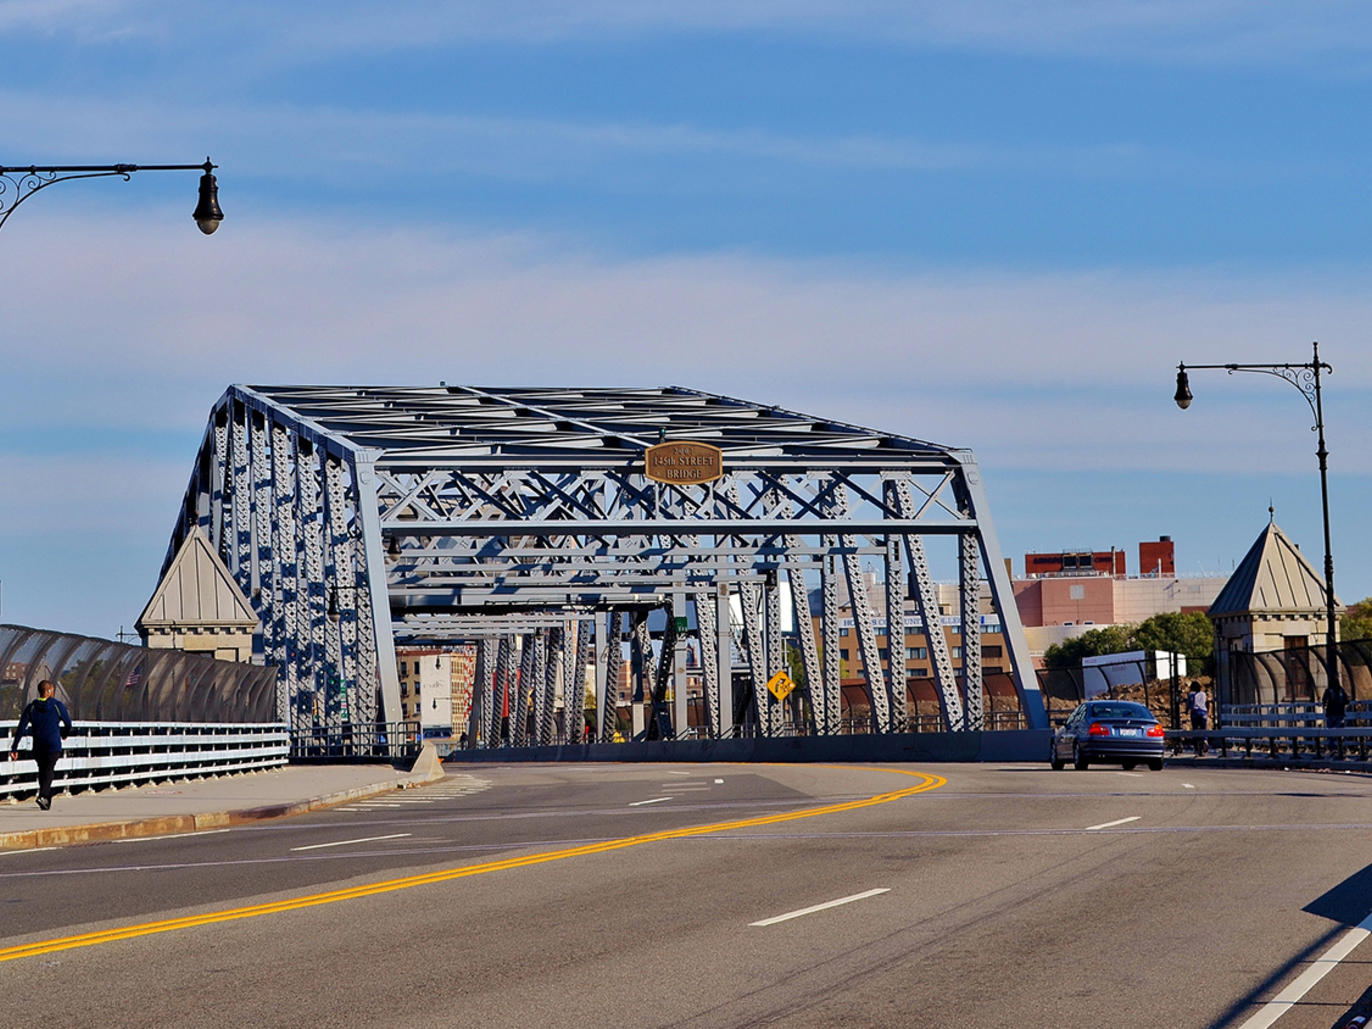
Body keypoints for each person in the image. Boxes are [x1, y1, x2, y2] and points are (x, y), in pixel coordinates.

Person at [10, 679, 73, 810]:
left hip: (38, 745)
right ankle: (43, 795)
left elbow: (21, 727)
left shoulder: (31, 707)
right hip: (53, 744)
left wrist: (14, 747)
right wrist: (64, 733)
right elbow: (68, 723)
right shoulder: (57, 706)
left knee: (42, 770)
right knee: (49, 770)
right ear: (49, 691)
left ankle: (46, 802)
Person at [1186, 680, 1208, 756]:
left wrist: (1186, 710)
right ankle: (1205, 740)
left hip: (1195, 712)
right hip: (1203, 712)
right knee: (1203, 729)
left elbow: (1189, 704)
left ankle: (1196, 747)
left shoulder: (1191, 694)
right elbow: (1205, 702)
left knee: (1195, 729)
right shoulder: (1203, 694)